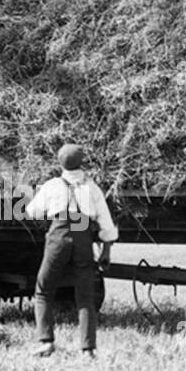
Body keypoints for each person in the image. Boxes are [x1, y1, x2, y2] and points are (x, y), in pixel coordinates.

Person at [26, 143, 118, 359]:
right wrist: (106, 251)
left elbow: (33, 212)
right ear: (82, 162)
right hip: (81, 234)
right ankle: (87, 349)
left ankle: (46, 342)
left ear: (60, 163)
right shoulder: (92, 187)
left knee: (43, 288)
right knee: (85, 295)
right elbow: (106, 223)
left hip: (59, 234)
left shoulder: (52, 185)